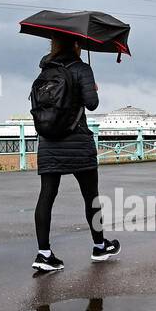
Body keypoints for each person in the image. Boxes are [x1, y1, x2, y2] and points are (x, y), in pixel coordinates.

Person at [31, 37, 119, 272]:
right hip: (77, 141)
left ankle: (44, 254)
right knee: (91, 196)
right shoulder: (82, 68)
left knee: (46, 196)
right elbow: (92, 104)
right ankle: (100, 246)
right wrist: (93, 88)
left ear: (54, 44)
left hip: (49, 142)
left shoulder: (45, 70)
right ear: (77, 45)